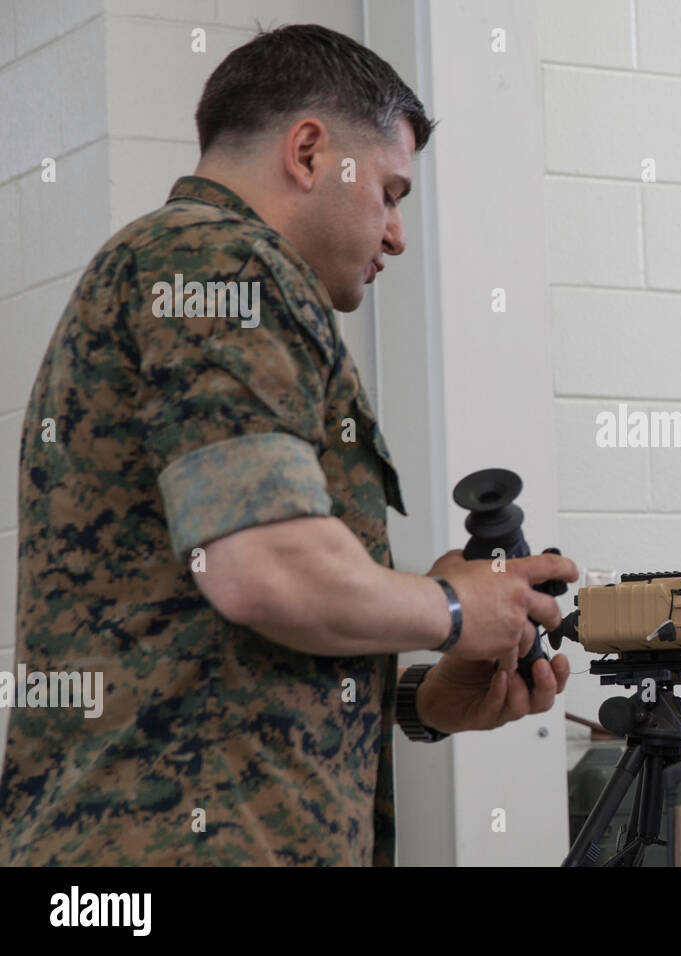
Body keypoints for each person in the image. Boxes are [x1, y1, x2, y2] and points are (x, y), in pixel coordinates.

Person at [0, 24, 577, 866]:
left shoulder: (183, 267)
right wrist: (455, 610)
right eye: (389, 191)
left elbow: (214, 648)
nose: (396, 235)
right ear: (309, 152)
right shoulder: (219, 262)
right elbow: (262, 570)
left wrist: (425, 700)